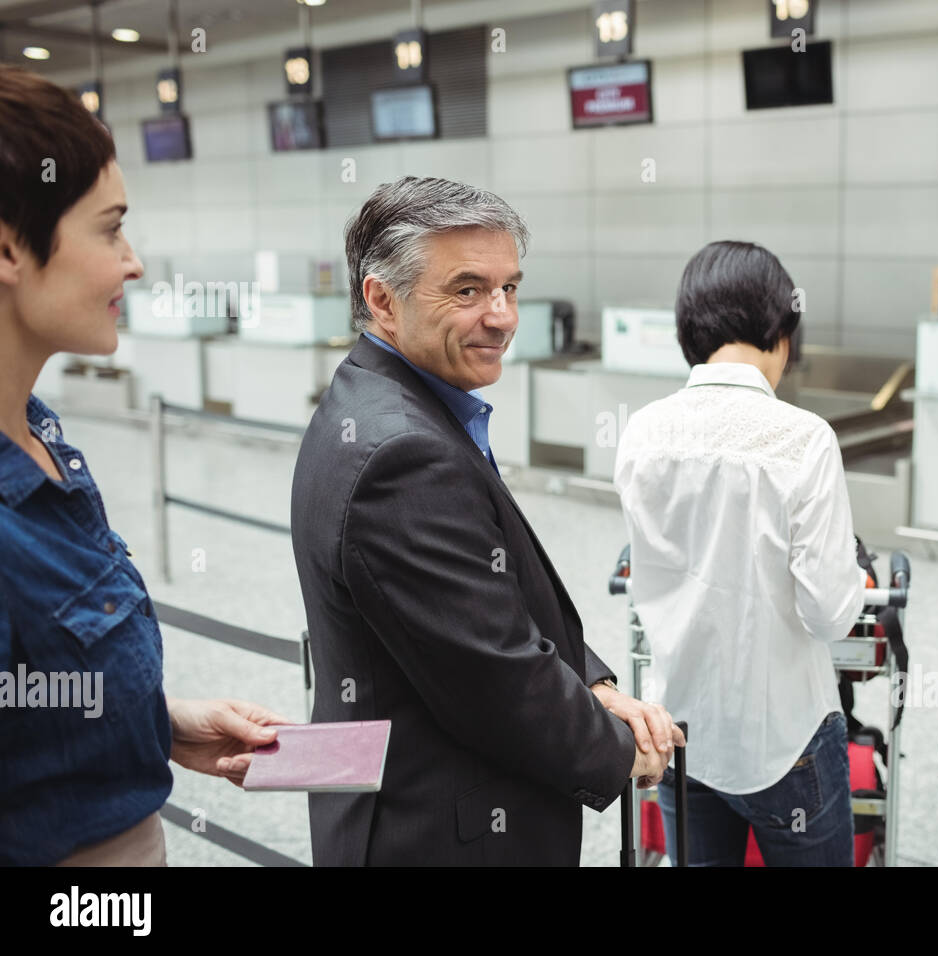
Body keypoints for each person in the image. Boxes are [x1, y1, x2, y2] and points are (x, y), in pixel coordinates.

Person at [290, 176, 683, 866]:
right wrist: (624, 750)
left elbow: (480, 605)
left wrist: (593, 685)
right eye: (468, 290)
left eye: (509, 288)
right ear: (383, 299)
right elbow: (494, 678)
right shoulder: (402, 455)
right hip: (441, 832)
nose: (501, 316)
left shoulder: (378, 399)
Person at [0, 64, 290, 866]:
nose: (132, 262)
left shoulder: (41, 434)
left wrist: (160, 722)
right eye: (109, 228)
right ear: (7, 248)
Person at [614, 240, 865, 866]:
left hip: (680, 734)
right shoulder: (805, 440)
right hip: (787, 742)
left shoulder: (641, 432)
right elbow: (830, 615)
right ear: (780, 332)